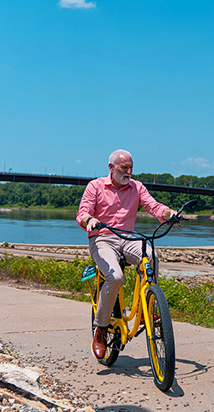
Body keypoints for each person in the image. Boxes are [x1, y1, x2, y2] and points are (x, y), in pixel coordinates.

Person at [76, 149, 178, 360]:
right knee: (115, 277)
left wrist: (169, 214)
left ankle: (146, 310)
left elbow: (153, 206)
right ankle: (101, 329)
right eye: (124, 167)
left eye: (131, 167)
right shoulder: (95, 186)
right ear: (111, 168)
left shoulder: (137, 187)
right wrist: (90, 221)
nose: (129, 171)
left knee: (152, 257)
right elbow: (83, 212)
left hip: (129, 237)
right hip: (102, 238)